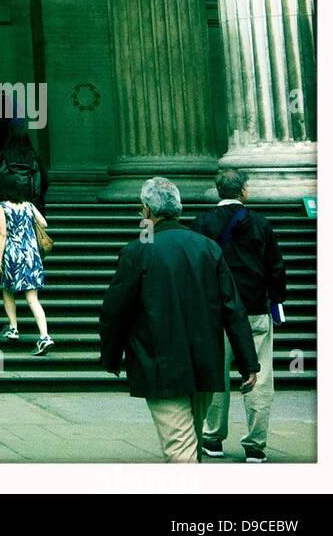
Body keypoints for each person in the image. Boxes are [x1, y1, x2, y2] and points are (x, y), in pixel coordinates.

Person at [100, 176, 260, 463]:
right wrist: (248, 362)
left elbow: (115, 311)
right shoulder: (207, 247)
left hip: (160, 365)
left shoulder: (137, 250)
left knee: (181, 450)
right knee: (191, 444)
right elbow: (233, 309)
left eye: (141, 210)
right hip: (204, 364)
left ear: (147, 211)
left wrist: (112, 356)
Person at [191, 169, 287, 462]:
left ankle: (212, 438)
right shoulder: (260, 223)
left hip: (216, 312)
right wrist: (278, 302)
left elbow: (196, 265)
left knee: (216, 377)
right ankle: (255, 445)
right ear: (243, 191)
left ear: (219, 191)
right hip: (254, 309)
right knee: (259, 376)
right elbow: (275, 267)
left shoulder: (202, 223)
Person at [0, 173, 54, 354]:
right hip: (31, 254)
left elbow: (2, 234)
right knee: (32, 299)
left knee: (7, 291)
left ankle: (13, 328)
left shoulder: (1, 207)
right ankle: (44, 336)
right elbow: (43, 224)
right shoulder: (28, 205)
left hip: (13, 253)